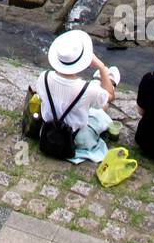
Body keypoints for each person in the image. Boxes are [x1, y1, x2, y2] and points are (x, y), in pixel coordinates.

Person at [33, 30, 120, 162]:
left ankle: (101, 80)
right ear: (81, 63)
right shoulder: (87, 89)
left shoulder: (44, 77)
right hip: (76, 138)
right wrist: (101, 67)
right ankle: (106, 77)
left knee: (91, 96)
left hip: (47, 131)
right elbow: (110, 96)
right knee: (102, 104)